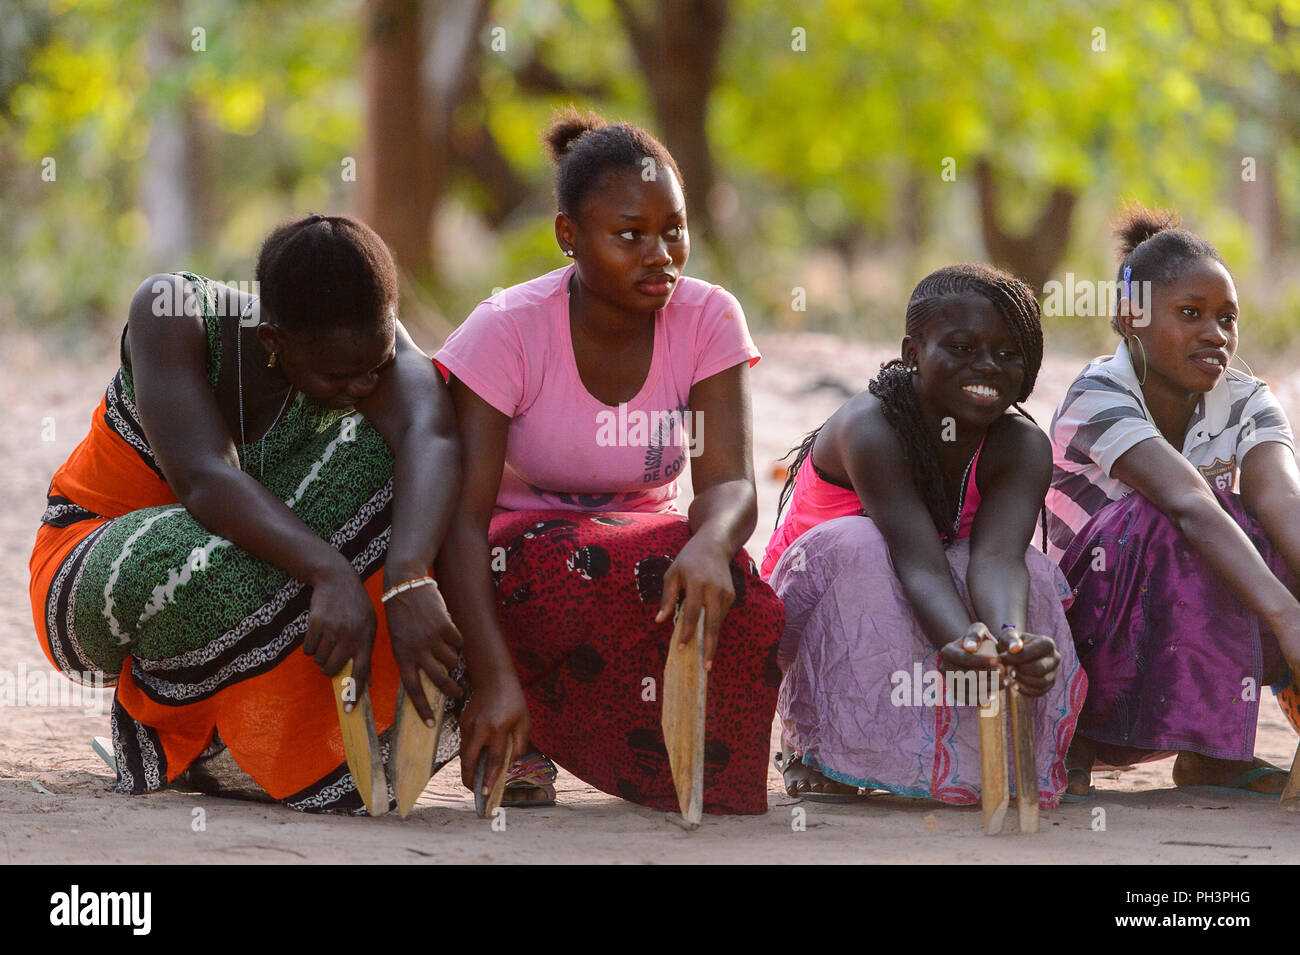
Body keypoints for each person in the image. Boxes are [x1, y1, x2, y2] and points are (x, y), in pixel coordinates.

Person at [28, 214, 465, 813]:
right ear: (273, 342)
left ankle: (273, 743)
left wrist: (409, 575)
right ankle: (179, 724)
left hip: (260, 556)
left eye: (377, 365)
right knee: (204, 563)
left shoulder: (373, 342)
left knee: (410, 471)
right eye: (340, 375)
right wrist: (330, 572)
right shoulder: (171, 313)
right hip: (97, 562)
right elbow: (206, 482)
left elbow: (431, 430)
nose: (365, 384)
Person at [432, 108, 784, 814]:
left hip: (645, 549)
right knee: (580, 570)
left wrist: (714, 543)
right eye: (631, 235)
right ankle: (514, 711)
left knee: (749, 603)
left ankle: (669, 753)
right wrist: (492, 674)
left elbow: (729, 481)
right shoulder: (505, 330)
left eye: (674, 230)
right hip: (516, 561)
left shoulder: (709, 318)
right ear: (569, 235)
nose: (660, 254)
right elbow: (460, 523)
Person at [763, 264, 1086, 805]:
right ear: (913, 352)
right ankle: (813, 747)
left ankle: (958, 764)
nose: (986, 366)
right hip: (839, 593)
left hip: (932, 575)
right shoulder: (872, 428)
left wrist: (1009, 638)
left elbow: (999, 559)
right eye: (961, 348)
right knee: (863, 546)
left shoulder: (1021, 446)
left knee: (1032, 569)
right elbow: (914, 559)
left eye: (1009, 354)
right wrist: (959, 639)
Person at [1048, 204, 1300, 797]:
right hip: (1089, 624)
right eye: (1191, 314)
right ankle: (1078, 739)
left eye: (1227, 319)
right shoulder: (1097, 392)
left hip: (1179, 617)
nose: (1216, 335)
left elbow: (1283, 496)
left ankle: (1213, 754)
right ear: (1130, 319)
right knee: (1163, 518)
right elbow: (1186, 499)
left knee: (1266, 533)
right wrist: (1288, 618)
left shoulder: (1246, 398)